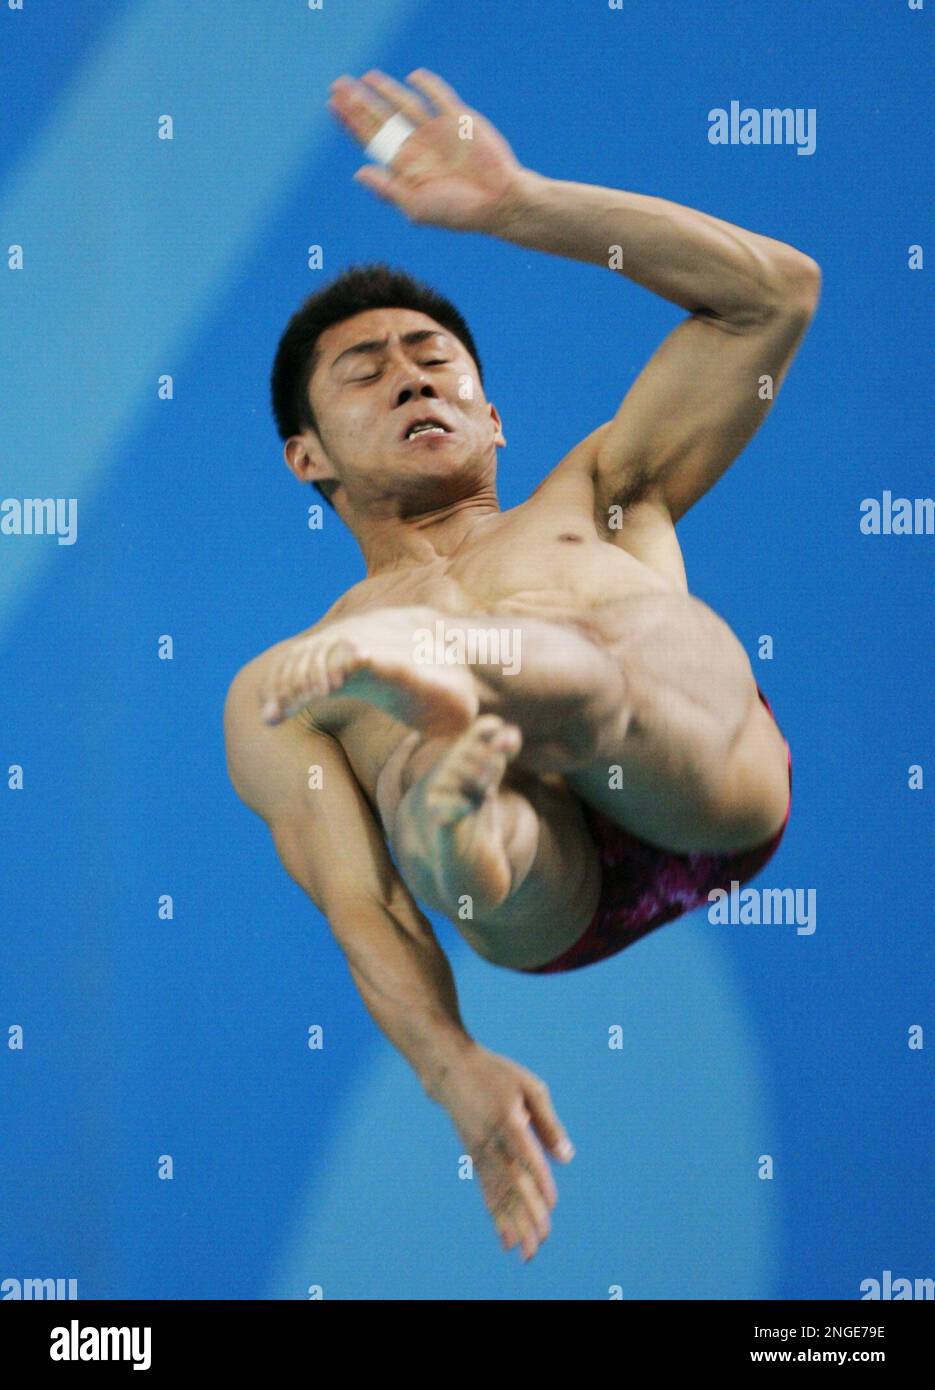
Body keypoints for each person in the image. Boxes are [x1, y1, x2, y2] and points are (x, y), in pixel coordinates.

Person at [223, 68, 819, 1262]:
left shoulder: (601, 489)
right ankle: (461, 764)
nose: (410, 375)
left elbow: (770, 302)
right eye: (366, 371)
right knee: (445, 826)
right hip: (538, 896)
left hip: (687, 772)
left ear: (493, 417)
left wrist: (519, 204)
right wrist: (456, 1075)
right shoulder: (277, 690)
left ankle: (481, 680)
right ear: (307, 459)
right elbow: (372, 906)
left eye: (435, 359)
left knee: (589, 671)